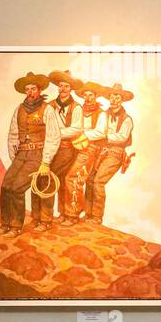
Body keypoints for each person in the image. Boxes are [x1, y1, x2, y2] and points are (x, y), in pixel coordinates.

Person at [0, 71, 61, 236]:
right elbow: (13, 134)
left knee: (17, 188)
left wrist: (46, 161)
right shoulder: (19, 109)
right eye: (27, 89)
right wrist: (14, 157)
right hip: (21, 155)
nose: (30, 92)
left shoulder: (47, 109)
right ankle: (5, 223)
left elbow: (53, 136)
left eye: (33, 88)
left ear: (39, 90)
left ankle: (15, 227)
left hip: (38, 155)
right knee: (6, 186)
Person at [61, 82, 109, 224]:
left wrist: (83, 135)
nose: (88, 98)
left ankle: (72, 215)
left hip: (90, 148)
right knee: (65, 175)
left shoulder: (101, 114)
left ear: (96, 96)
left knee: (73, 178)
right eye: (85, 95)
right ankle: (65, 212)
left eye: (91, 95)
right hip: (74, 146)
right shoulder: (79, 110)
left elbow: (100, 133)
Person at [87, 82, 135, 225]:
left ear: (122, 100)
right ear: (109, 98)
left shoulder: (127, 119)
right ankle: (87, 214)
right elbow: (98, 131)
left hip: (116, 152)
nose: (114, 99)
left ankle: (96, 217)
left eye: (118, 97)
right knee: (89, 179)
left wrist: (106, 137)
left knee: (98, 181)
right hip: (100, 150)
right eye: (112, 96)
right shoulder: (103, 115)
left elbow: (122, 137)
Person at [46, 70, 85, 225]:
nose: (63, 89)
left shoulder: (76, 107)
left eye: (66, 86)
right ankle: (62, 213)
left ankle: (70, 215)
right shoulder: (49, 105)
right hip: (51, 147)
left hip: (67, 148)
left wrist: (56, 133)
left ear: (71, 89)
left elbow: (77, 129)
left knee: (58, 177)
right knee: (60, 180)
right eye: (61, 86)